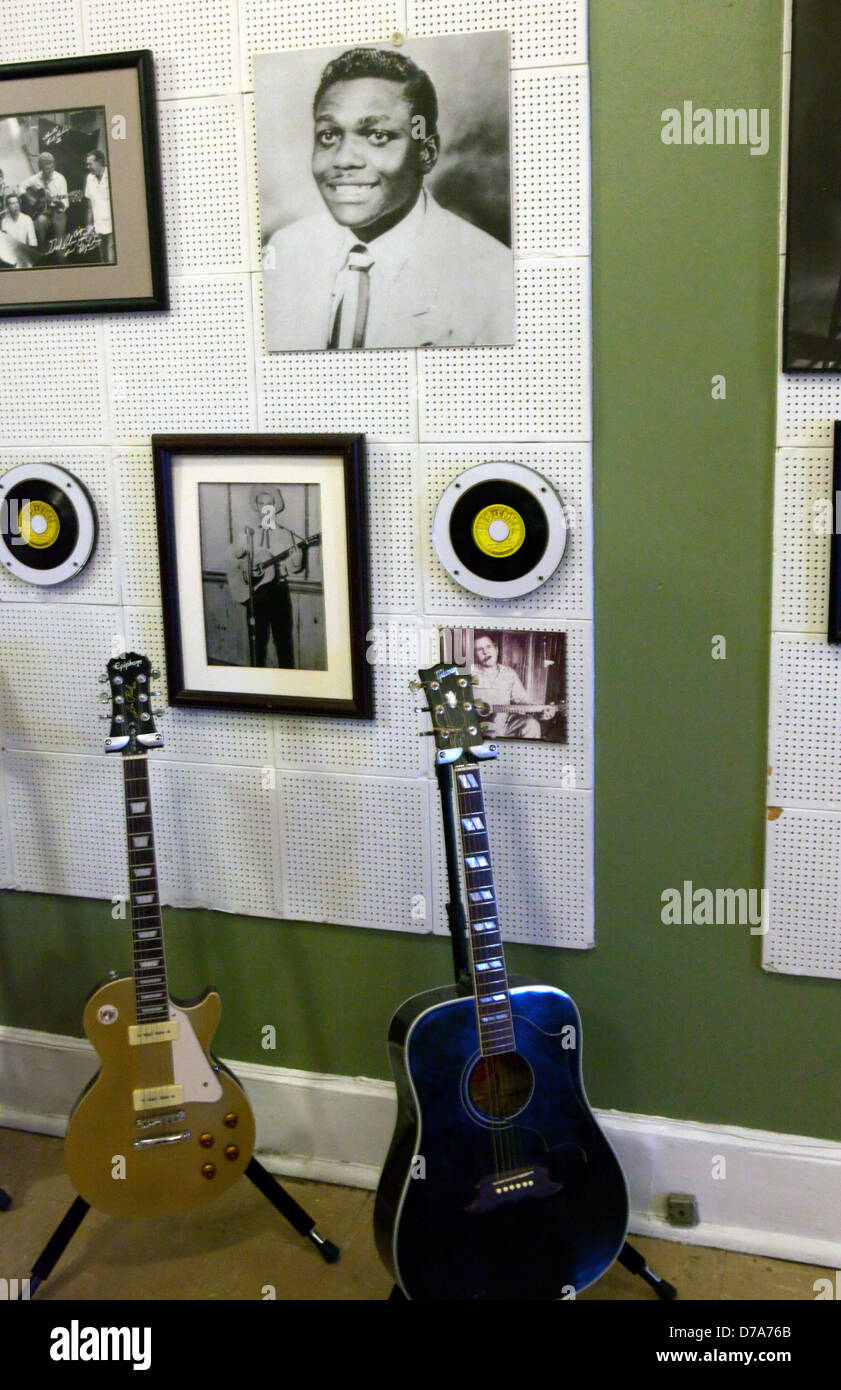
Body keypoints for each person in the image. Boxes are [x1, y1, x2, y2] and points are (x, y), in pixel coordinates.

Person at [262, 46, 514, 350]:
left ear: (426, 153)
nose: (343, 159)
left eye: (377, 136)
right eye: (329, 135)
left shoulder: (495, 279)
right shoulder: (287, 250)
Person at [228, 487, 305, 668]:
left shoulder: (286, 534)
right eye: (261, 504)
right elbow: (232, 557)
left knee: (284, 642)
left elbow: (294, 570)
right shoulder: (248, 533)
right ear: (256, 506)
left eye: (269, 504)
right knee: (257, 644)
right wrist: (243, 564)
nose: (265, 508)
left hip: (278, 591)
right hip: (255, 593)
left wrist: (296, 560)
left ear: (274, 508)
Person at [471, 633, 555, 740]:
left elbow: (524, 701)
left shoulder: (509, 674)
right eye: (479, 649)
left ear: (496, 649)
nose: (485, 652)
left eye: (488, 647)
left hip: (505, 725)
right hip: (478, 727)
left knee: (532, 725)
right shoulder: (468, 672)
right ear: (474, 655)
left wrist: (539, 712)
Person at [23, 152, 69, 258]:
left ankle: (62, 260)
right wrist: (30, 198)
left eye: (51, 166)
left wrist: (59, 203)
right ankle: (43, 252)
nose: (49, 170)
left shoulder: (60, 179)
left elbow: (66, 202)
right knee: (39, 221)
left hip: (58, 212)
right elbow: (20, 187)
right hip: (43, 212)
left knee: (60, 243)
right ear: (41, 168)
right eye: (46, 167)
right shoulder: (35, 178)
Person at [84, 150, 114, 263]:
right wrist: (89, 224)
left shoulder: (112, 175)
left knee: (112, 258)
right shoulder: (89, 178)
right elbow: (89, 204)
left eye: (90, 163)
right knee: (103, 258)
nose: (88, 167)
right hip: (99, 226)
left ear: (100, 162)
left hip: (113, 226)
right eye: (87, 164)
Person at [0, 193, 37, 267]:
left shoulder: (27, 219)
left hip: (25, 255)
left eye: (17, 202)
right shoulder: (4, 221)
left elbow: (33, 242)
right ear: (8, 207)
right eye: (12, 203)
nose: (16, 205)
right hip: (11, 257)